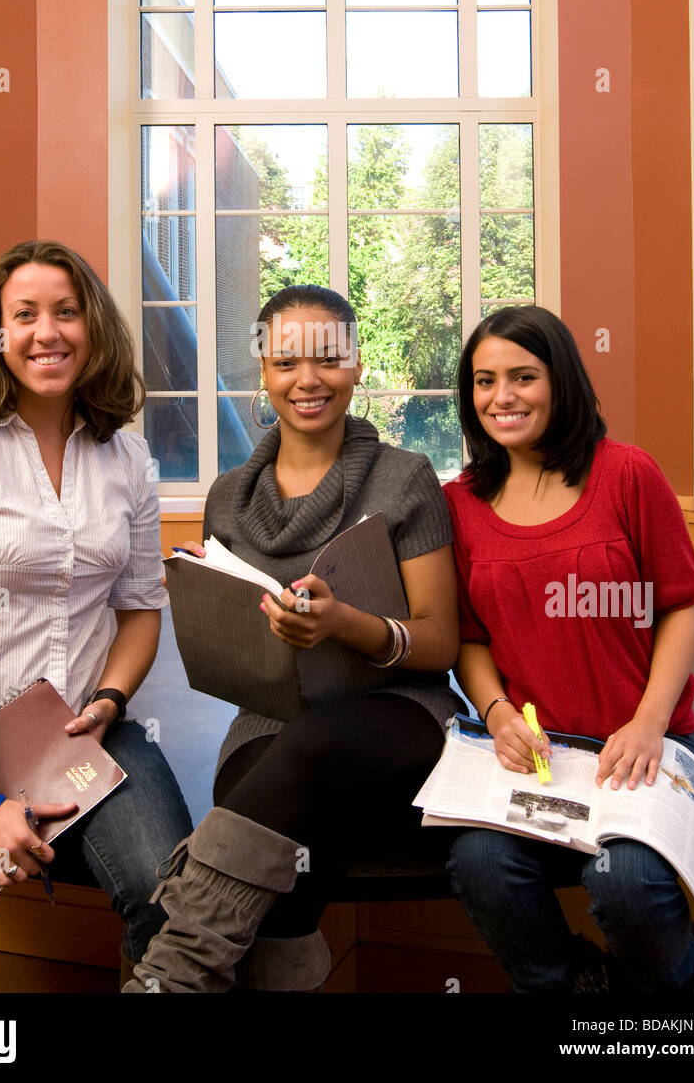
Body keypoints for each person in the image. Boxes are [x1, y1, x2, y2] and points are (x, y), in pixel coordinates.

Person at [0, 239, 193, 992]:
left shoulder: (127, 461)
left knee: (179, 906)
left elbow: (142, 610)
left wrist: (110, 698)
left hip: (82, 738)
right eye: (24, 315)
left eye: (66, 312)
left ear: (94, 330)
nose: (46, 332)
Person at [124, 284, 461, 993]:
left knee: (310, 749)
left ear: (357, 364)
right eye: (285, 362)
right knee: (271, 858)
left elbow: (440, 643)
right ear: (263, 374)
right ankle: (246, 970)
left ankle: (170, 970)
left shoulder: (405, 478)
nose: (307, 379)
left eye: (327, 358)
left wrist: (345, 625)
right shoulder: (227, 498)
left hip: (399, 715)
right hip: (270, 721)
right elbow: (226, 657)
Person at [443, 306, 694, 992]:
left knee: (625, 885)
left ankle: (679, 985)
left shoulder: (626, 474)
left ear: (559, 380)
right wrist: (497, 713)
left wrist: (648, 723)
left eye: (522, 377)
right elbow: (469, 637)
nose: (501, 397)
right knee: (477, 866)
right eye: (483, 381)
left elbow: (679, 602)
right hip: (537, 755)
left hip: (645, 743)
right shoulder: (461, 503)